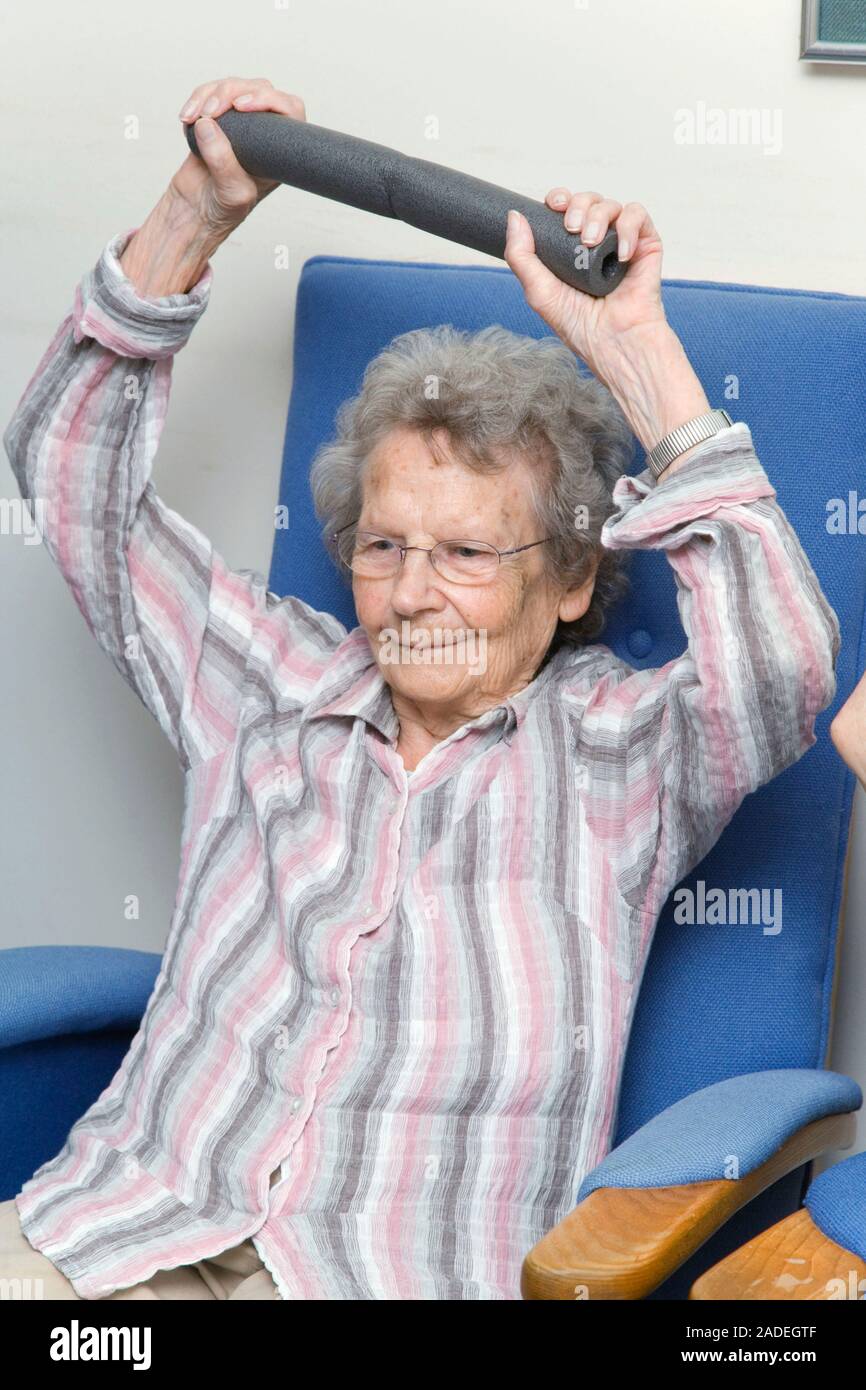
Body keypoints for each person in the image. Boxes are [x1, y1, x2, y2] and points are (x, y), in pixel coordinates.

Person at [0, 76, 840, 1301]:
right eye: (383, 546)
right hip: (113, 1239)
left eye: (466, 553)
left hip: (375, 1272)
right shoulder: (264, 676)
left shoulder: (628, 748)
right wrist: (193, 206)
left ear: (565, 579)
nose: (410, 592)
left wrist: (636, 353)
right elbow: (67, 476)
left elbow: (785, 664)